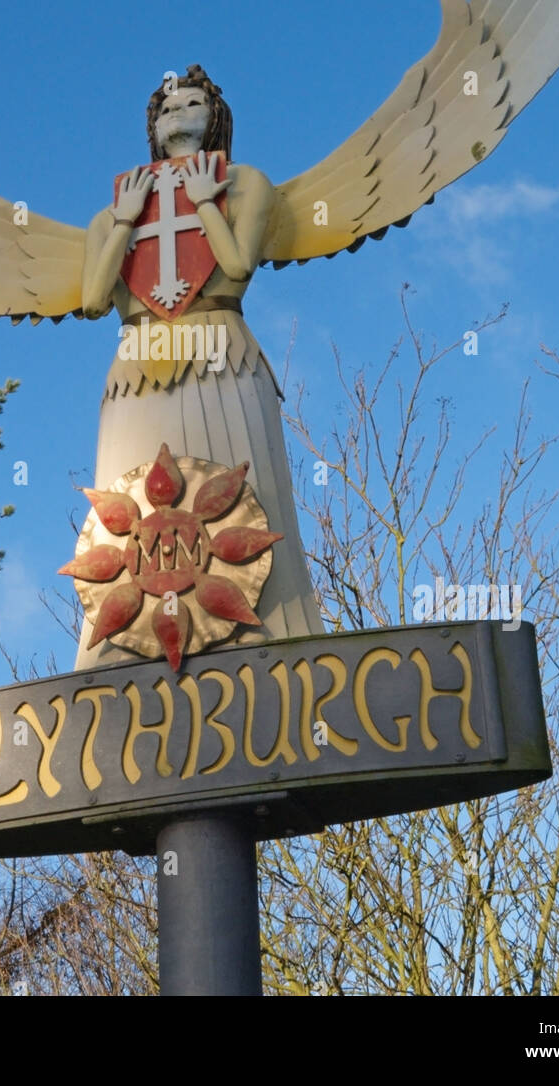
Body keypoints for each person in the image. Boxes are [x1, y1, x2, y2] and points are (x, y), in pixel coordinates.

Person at [75, 65, 325, 669]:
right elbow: (90, 300)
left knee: (242, 493)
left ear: (214, 118)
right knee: (131, 514)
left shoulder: (247, 183)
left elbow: (237, 268)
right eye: (165, 107)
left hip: (220, 348)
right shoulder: (112, 210)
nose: (176, 112)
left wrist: (207, 201)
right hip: (137, 361)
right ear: (152, 129)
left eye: (191, 102)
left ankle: (269, 642)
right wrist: (126, 219)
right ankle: (125, 651)